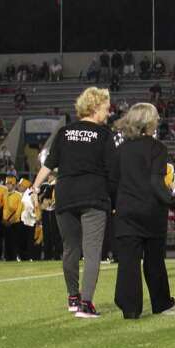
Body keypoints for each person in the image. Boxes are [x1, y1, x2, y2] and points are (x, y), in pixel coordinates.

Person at [31, 87, 116, 319]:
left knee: (70, 249)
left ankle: (73, 297)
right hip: (93, 195)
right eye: (106, 109)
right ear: (95, 107)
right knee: (91, 252)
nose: (108, 114)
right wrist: (115, 198)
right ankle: (86, 303)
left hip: (66, 194)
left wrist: (35, 187)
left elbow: (49, 165)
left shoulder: (64, 132)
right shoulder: (104, 135)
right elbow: (112, 171)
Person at [110, 103, 175, 319]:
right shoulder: (157, 148)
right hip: (151, 211)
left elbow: (112, 183)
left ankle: (130, 308)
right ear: (149, 122)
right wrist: (173, 202)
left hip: (126, 211)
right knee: (154, 259)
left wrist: (114, 205)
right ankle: (160, 301)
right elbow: (157, 183)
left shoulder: (120, 151)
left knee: (129, 261)